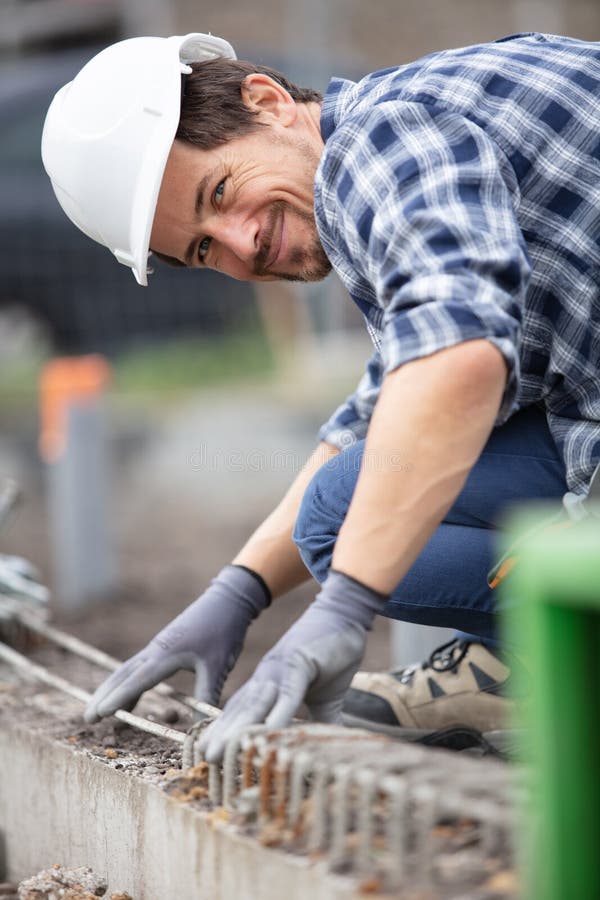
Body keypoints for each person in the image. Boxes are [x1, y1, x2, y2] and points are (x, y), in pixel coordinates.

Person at [42, 31, 600, 762]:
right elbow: (382, 403)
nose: (241, 247)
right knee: (339, 511)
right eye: (205, 248)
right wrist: (238, 591)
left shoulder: (382, 143)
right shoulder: (405, 140)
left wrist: (347, 603)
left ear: (267, 101)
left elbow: (456, 356)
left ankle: (544, 663)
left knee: (342, 519)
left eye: (218, 193)